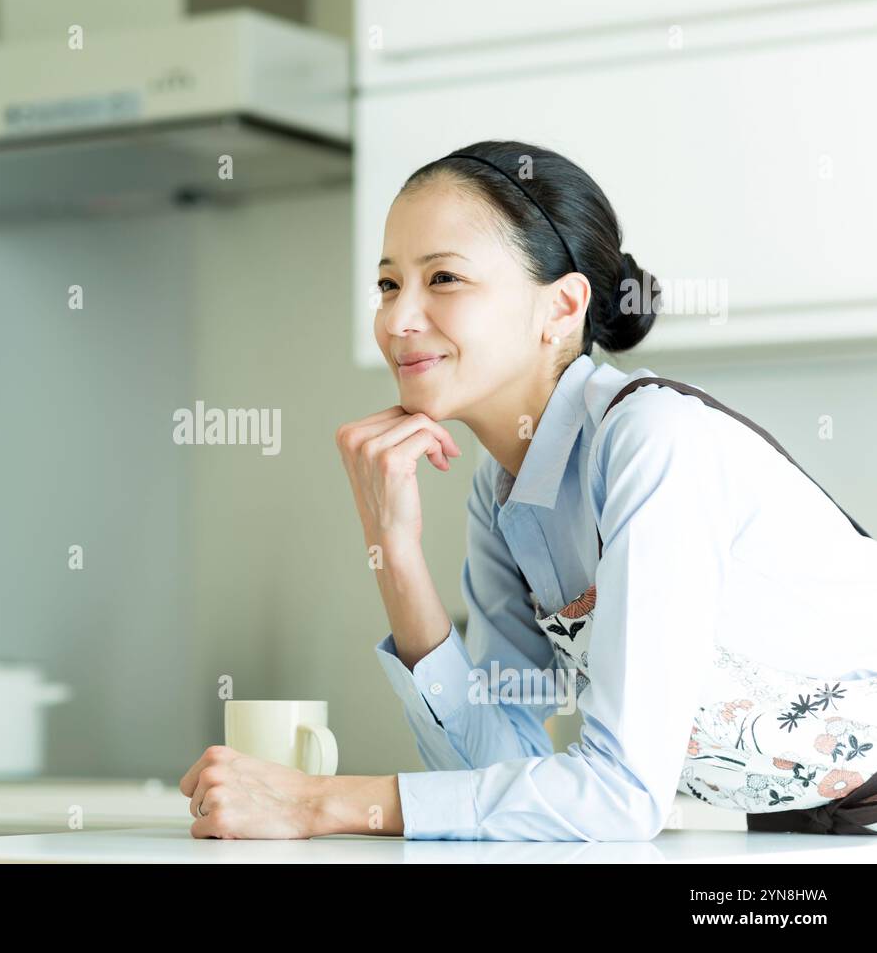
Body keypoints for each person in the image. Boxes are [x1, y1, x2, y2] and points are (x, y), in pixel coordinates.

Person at [179, 140, 877, 840]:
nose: (397, 319)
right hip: (806, 826)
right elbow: (496, 760)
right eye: (389, 285)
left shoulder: (654, 440)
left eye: (443, 278)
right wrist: (394, 550)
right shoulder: (503, 493)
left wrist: (318, 803)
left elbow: (622, 794)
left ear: (562, 307)